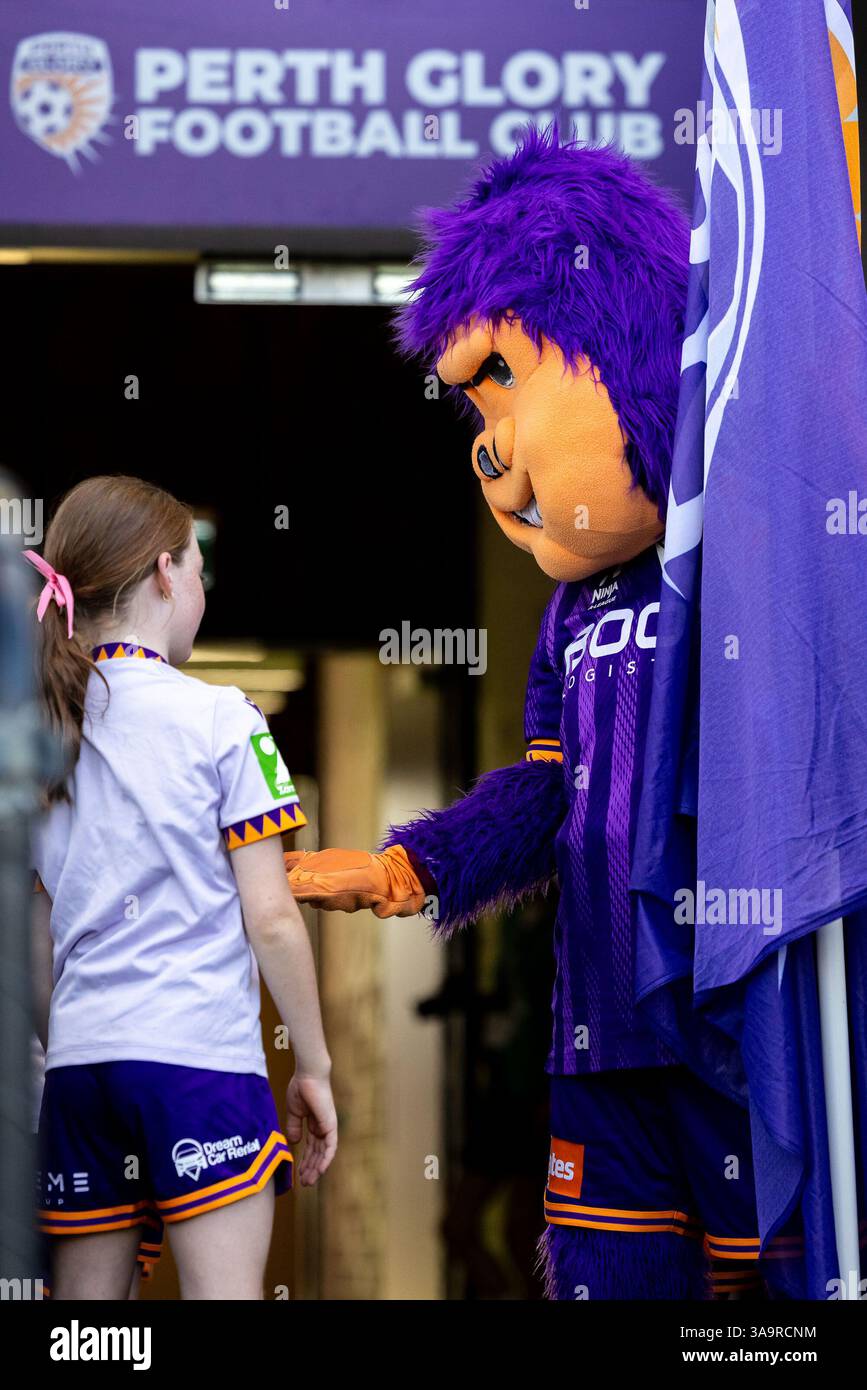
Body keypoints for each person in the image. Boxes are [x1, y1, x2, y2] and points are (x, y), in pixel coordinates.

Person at [27, 474, 336, 1301]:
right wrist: (314, 1067)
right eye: (196, 569)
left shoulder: (46, 732)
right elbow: (270, 917)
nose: (199, 588)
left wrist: (46, 1055)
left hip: (81, 1069)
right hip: (196, 1065)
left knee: (88, 1337)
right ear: (167, 573)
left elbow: (36, 934)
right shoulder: (224, 716)